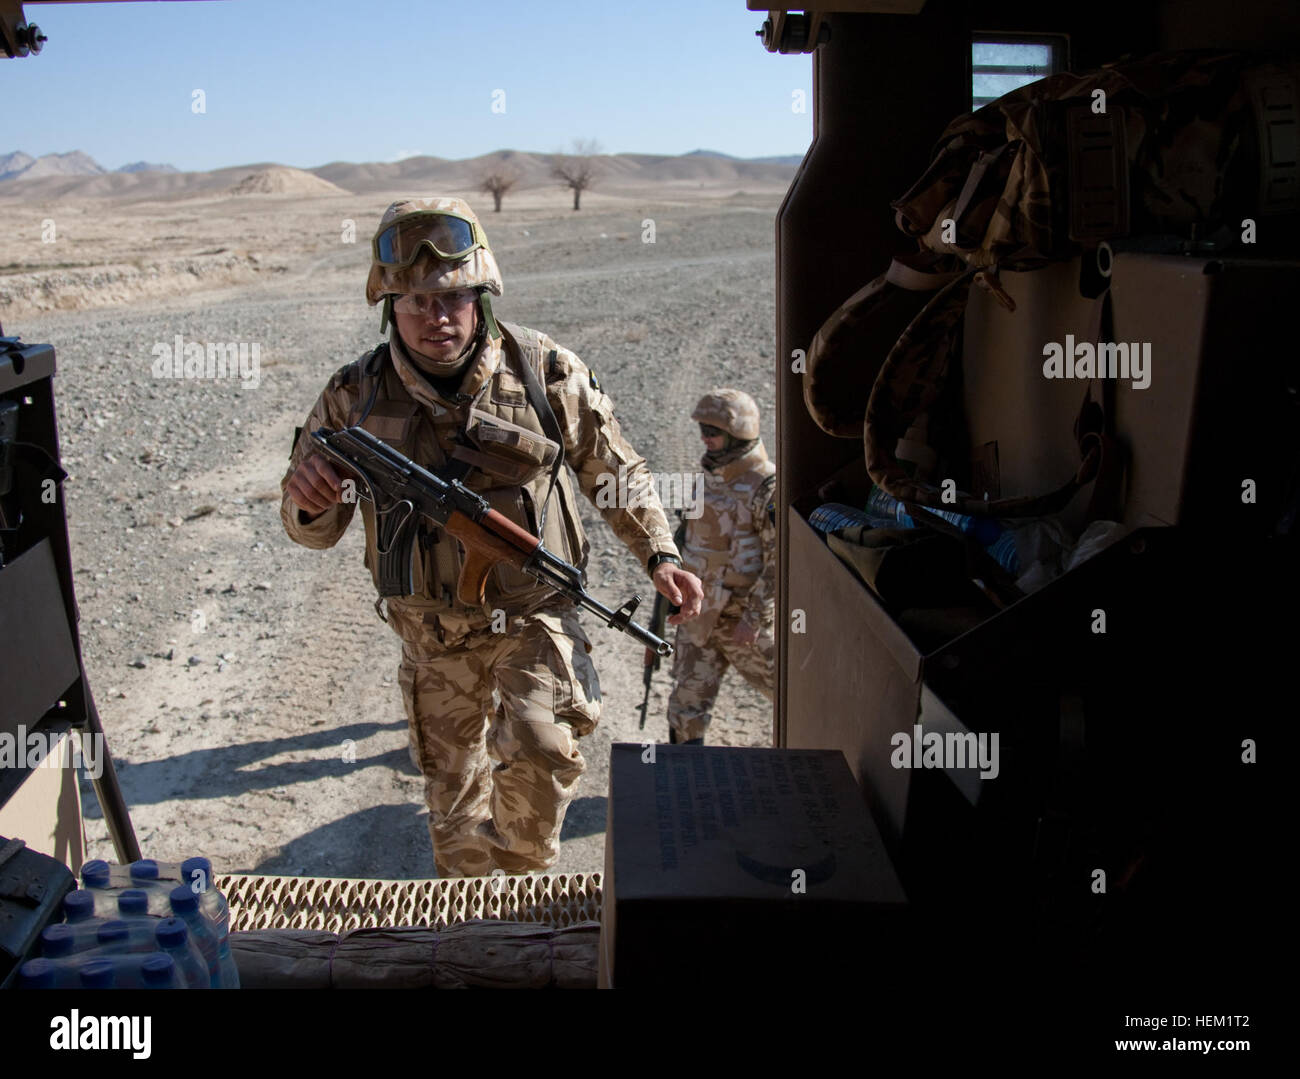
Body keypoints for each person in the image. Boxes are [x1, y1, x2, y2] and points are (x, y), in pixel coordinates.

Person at [280, 196, 703, 876]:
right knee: (453, 802)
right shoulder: (352, 395)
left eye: (452, 296)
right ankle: (473, 933)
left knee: (541, 747)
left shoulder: (542, 370)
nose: (434, 316)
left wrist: (660, 554)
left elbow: (614, 468)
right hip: (432, 631)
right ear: (390, 304)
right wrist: (308, 500)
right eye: (415, 300)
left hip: (535, 608)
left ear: (481, 294)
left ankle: (524, 897)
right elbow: (310, 529)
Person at [666, 389, 776, 745]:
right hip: (699, 617)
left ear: (738, 432)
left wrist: (754, 617)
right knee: (686, 711)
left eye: (713, 432)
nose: (705, 439)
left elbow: (779, 562)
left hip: (744, 620)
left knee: (795, 696)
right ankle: (685, 784)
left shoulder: (766, 486)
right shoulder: (707, 477)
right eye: (702, 430)